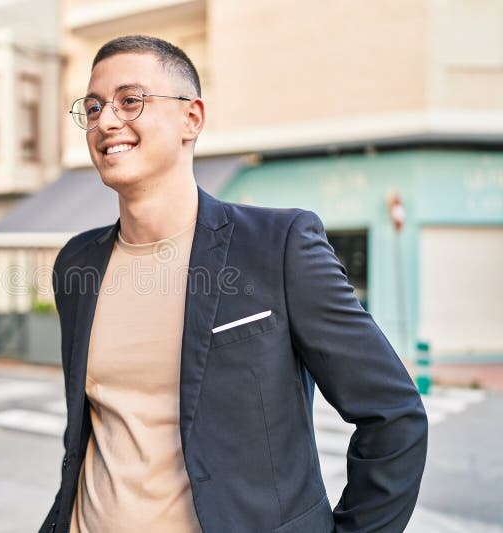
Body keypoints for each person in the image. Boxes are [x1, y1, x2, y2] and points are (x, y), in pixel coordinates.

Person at [39, 35, 427, 533]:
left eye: (130, 100)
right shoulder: (78, 264)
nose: (106, 121)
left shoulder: (278, 246)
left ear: (192, 118)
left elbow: (393, 415)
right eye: (92, 107)